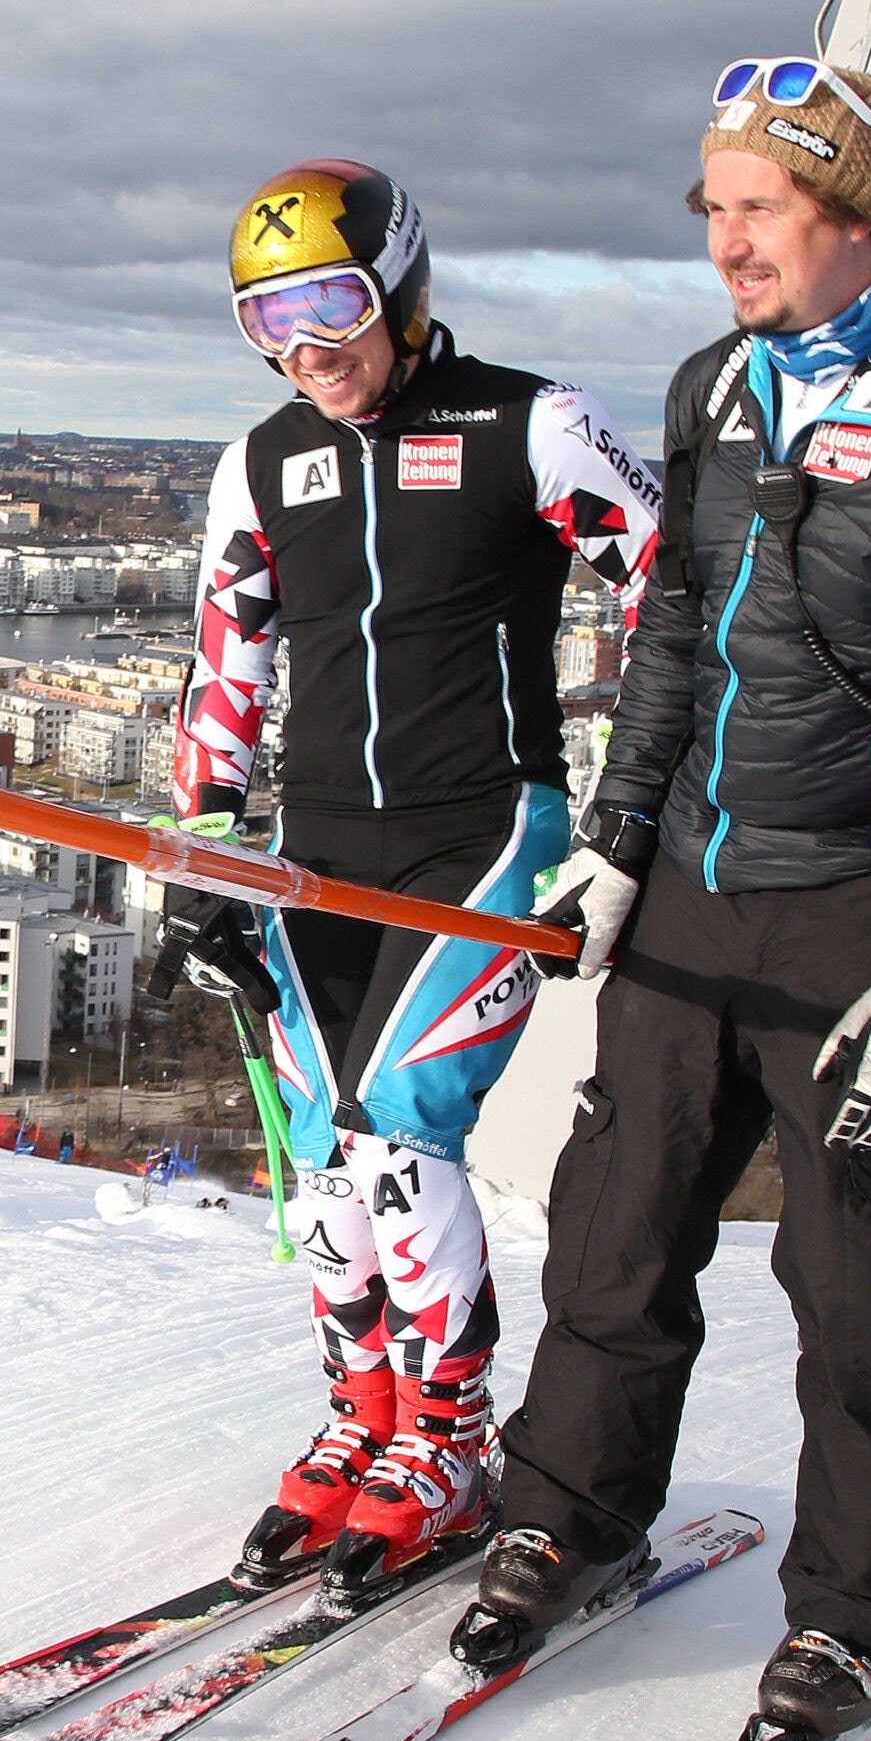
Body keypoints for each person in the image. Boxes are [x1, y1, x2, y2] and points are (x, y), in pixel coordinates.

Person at [461, 62, 871, 1741]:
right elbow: (676, 631)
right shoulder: (722, 389)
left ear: (851, 213)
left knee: (856, 1276)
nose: (722, 237)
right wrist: (617, 835)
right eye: (713, 205)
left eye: (755, 205)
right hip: (696, 880)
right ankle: (570, 1517)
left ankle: (865, 1617)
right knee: (615, 1223)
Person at [164, 159, 660, 1597]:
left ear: (398, 283)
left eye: (327, 304)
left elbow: (677, 599)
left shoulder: (532, 423)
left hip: (485, 836)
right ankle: (363, 1421)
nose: (302, 349)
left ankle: (447, 1438)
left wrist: (629, 819)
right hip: (318, 848)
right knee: (324, 1159)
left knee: (397, 1135)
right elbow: (226, 661)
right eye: (265, 319)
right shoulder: (262, 459)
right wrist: (203, 856)